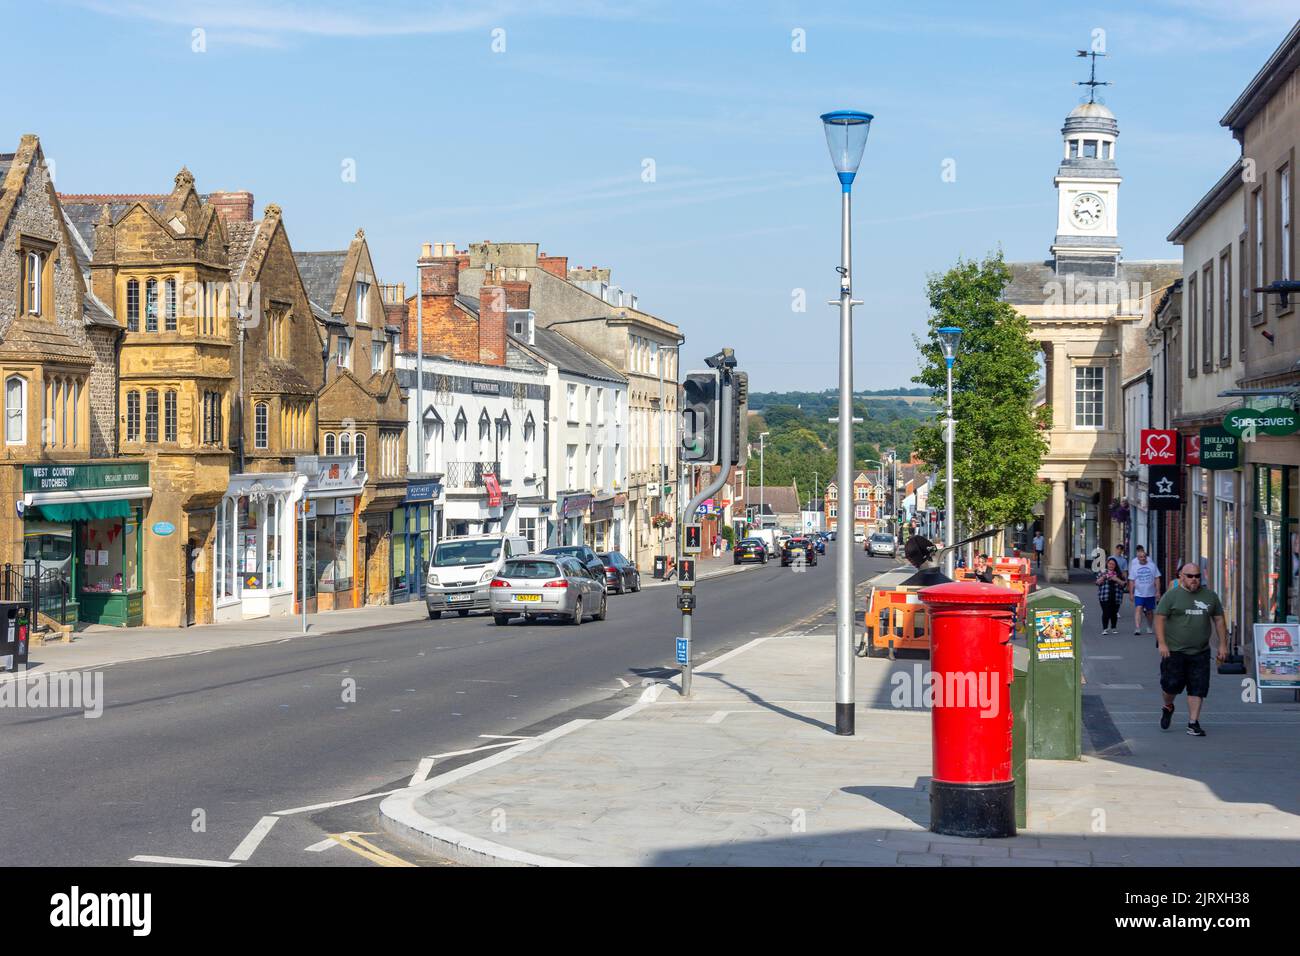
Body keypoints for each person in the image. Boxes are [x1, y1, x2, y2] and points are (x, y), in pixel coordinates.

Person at [1154, 563, 1228, 736]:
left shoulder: (1210, 596)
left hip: (1200, 652)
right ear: (1181, 576)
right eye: (1190, 576)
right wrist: (1162, 643)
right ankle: (1168, 706)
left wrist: (1223, 644)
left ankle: (1193, 722)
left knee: (1197, 688)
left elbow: (1219, 620)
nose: (1194, 580)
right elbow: (1159, 618)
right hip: (1174, 651)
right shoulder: (1171, 596)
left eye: (1197, 576)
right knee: (1170, 687)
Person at [1128, 546, 1162, 635]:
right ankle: (1137, 628)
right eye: (1141, 557)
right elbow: (1131, 580)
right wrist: (1131, 593)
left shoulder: (1152, 565)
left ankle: (1149, 626)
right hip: (1139, 593)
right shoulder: (1134, 567)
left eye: (1144, 557)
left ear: (1146, 557)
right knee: (1138, 608)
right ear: (1138, 558)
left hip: (1150, 593)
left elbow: (1157, 578)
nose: (1143, 558)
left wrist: (1158, 591)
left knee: (1149, 612)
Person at [1095, 557, 1126, 634]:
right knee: (1106, 612)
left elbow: (1123, 584)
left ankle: (1113, 627)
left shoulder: (1119, 573)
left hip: (1116, 596)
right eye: (1110, 564)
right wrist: (1104, 577)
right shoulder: (1102, 572)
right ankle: (1105, 628)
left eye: (1113, 564)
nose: (1111, 565)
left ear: (1115, 565)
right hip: (1104, 596)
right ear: (1107, 564)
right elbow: (1097, 582)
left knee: (1114, 612)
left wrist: (1116, 579)